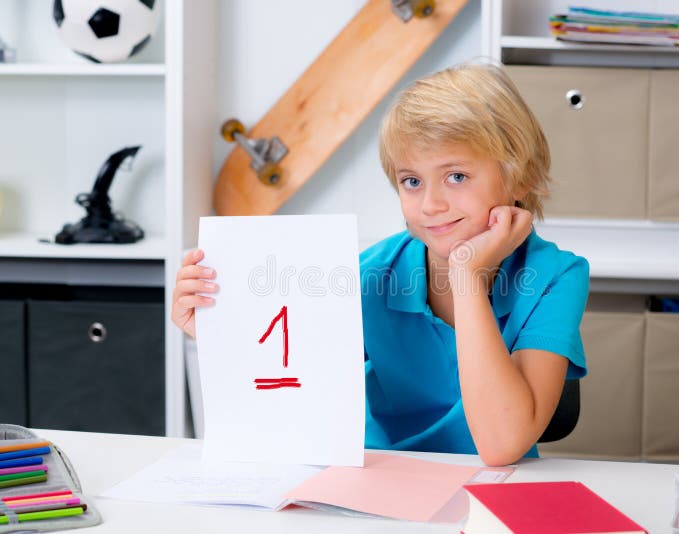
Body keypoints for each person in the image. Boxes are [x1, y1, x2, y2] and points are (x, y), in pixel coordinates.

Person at [172, 62, 589, 467]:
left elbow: (501, 447)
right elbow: (287, 405)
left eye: (457, 176)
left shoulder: (556, 277)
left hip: (492, 485)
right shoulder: (362, 277)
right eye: (412, 181)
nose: (431, 205)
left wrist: (467, 277)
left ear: (520, 178)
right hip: (377, 478)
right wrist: (217, 333)